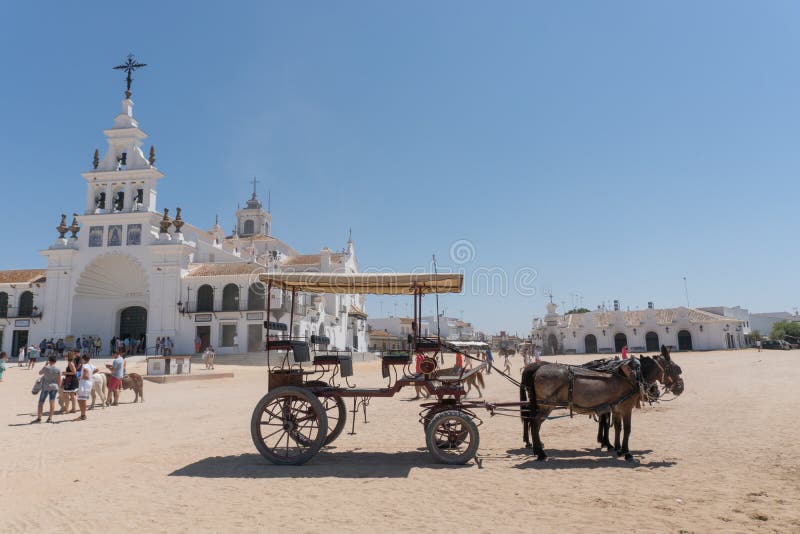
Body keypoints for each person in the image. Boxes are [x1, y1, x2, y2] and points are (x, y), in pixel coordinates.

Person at [35, 355, 61, 423]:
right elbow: (59, 380)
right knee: (52, 402)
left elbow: (40, 373)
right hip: (54, 386)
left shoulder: (46, 368)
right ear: (55, 361)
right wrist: (59, 387)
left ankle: (39, 418)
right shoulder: (58, 369)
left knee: (41, 402)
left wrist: (45, 365)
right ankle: (50, 418)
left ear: (49, 361)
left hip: (46, 386)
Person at [76, 355, 97, 421]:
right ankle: (83, 414)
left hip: (84, 383)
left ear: (83, 359)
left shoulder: (84, 366)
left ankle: (83, 415)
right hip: (89, 383)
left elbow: (85, 374)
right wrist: (91, 374)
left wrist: (80, 377)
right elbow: (97, 369)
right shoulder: (91, 365)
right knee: (80, 399)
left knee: (82, 399)